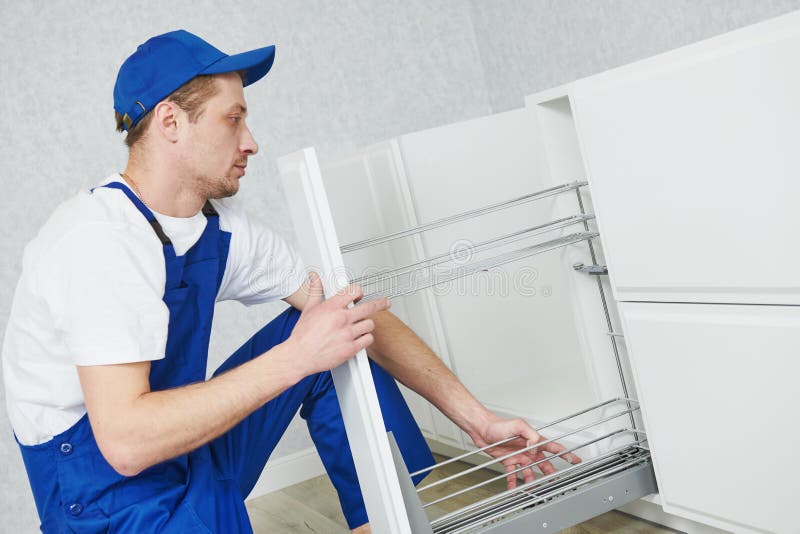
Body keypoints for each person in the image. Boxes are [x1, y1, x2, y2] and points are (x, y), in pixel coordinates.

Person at [2, 29, 580, 533]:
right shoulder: (99, 240)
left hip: (184, 454)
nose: (251, 141)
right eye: (234, 118)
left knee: (333, 331)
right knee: (308, 348)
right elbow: (126, 443)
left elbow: (354, 315)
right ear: (171, 122)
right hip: (103, 500)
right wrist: (296, 357)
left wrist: (478, 420)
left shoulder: (218, 229)